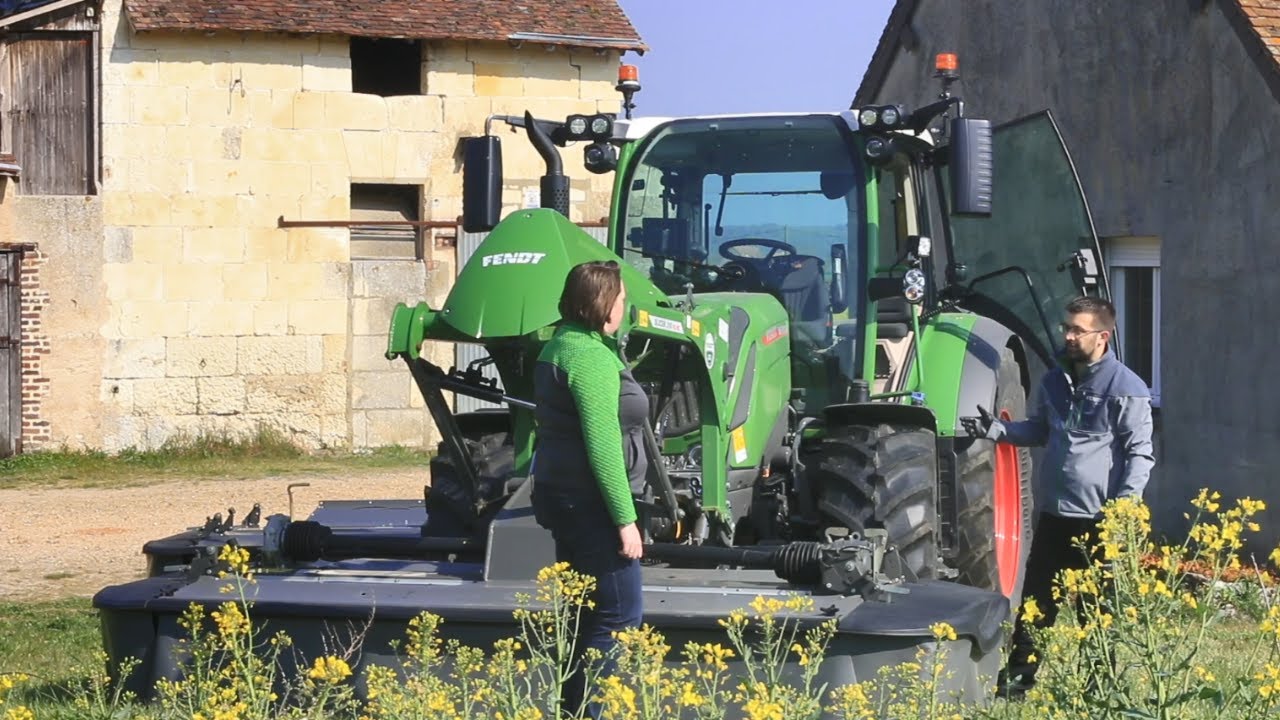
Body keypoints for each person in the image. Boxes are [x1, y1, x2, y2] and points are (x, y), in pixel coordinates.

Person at [962, 296, 1155, 694]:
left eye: (1077, 330)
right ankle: (1017, 683)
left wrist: (1124, 509)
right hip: (1055, 516)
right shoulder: (1054, 381)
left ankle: (1098, 689)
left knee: (1094, 611)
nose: (1068, 336)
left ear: (1103, 336)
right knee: (1036, 606)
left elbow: (1139, 454)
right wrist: (998, 431)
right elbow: (1039, 431)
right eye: (1066, 327)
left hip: (1100, 522)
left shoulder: (1126, 388)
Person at [531, 259, 647, 718]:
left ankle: (571, 710)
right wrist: (625, 520)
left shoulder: (557, 346)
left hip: (559, 495)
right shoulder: (591, 358)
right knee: (619, 618)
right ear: (605, 304)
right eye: (620, 297)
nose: (624, 305)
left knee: (580, 618)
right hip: (592, 504)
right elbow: (603, 447)